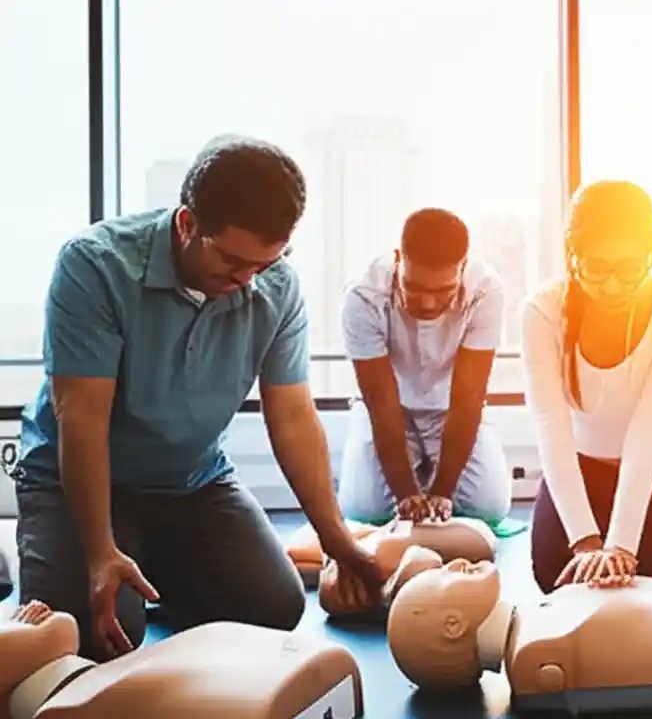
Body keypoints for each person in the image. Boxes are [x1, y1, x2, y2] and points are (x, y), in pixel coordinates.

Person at [12, 135, 382, 662]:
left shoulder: (275, 286)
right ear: (187, 224)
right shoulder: (94, 266)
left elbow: (295, 418)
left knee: (273, 608)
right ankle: (116, 558)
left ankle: (157, 570)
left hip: (192, 483)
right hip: (80, 481)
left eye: (263, 263)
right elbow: (83, 418)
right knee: (91, 638)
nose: (246, 280)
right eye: (232, 260)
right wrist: (98, 552)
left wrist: (338, 543)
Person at [522, 180, 652, 594]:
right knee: (556, 574)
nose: (611, 286)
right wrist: (586, 542)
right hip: (585, 460)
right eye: (596, 267)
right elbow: (551, 426)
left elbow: (650, 428)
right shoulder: (543, 311)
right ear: (573, 256)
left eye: (628, 269)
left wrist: (621, 545)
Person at [336, 208, 511, 526]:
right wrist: (407, 497)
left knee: (489, 508)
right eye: (414, 288)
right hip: (391, 410)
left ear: (463, 268)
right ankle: (417, 472)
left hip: (451, 410)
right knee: (366, 511)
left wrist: (443, 492)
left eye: (442, 291)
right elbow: (382, 403)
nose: (428, 304)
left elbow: (469, 398)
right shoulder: (362, 296)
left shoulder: (486, 291)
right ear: (398, 259)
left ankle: (432, 473)